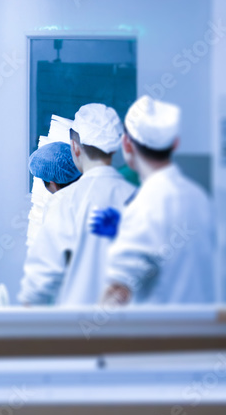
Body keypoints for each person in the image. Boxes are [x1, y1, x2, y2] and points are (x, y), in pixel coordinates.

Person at [103, 96, 217, 305]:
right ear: (175, 144)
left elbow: (117, 293)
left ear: (126, 144)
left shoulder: (145, 204)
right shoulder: (200, 198)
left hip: (159, 335)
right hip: (205, 334)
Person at [19, 104, 136, 306]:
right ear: (114, 148)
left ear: (74, 147)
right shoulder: (135, 198)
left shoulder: (63, 203)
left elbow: (39, 282)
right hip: (128, 329)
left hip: (75, 327)